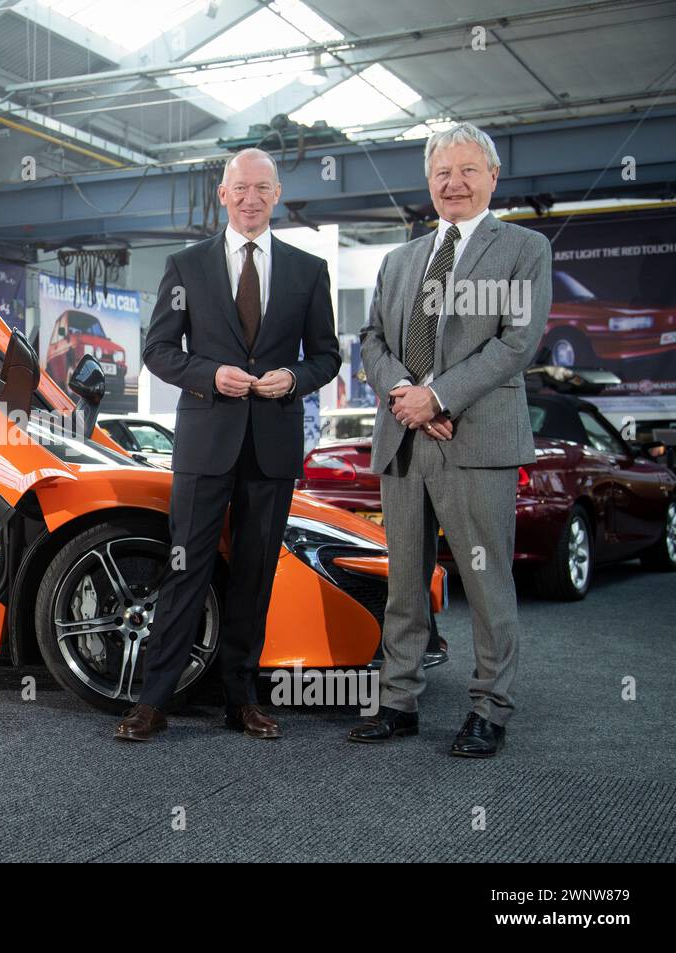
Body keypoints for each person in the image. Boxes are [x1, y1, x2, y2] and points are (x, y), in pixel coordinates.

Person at [114, 148, 340, 742]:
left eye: (262, 188)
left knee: (254, 575)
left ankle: (241, 700)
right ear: (222, 193)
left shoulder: (306, 270)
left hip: (271, 447)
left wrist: (294, 377)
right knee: (185, 567)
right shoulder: (186, 267)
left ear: (276, 193)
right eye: (240, 188)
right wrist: (209, 375)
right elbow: (158, 350)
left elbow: (327, 356)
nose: (250, 198)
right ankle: (154, 701)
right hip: (205, 442)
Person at [351, 122, 551, 757]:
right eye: (442, 172)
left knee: (486, 582)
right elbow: (373, 342)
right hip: (405, 441)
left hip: (478, 440)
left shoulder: (523, 248)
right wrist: (408, 399)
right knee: (405, 582)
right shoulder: (399, 259)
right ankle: (399, 700)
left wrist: (437, 396)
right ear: (428, 182)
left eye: (468, 170)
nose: (454, 182)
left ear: (493, 178)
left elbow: (517, 342)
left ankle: (490, 708)